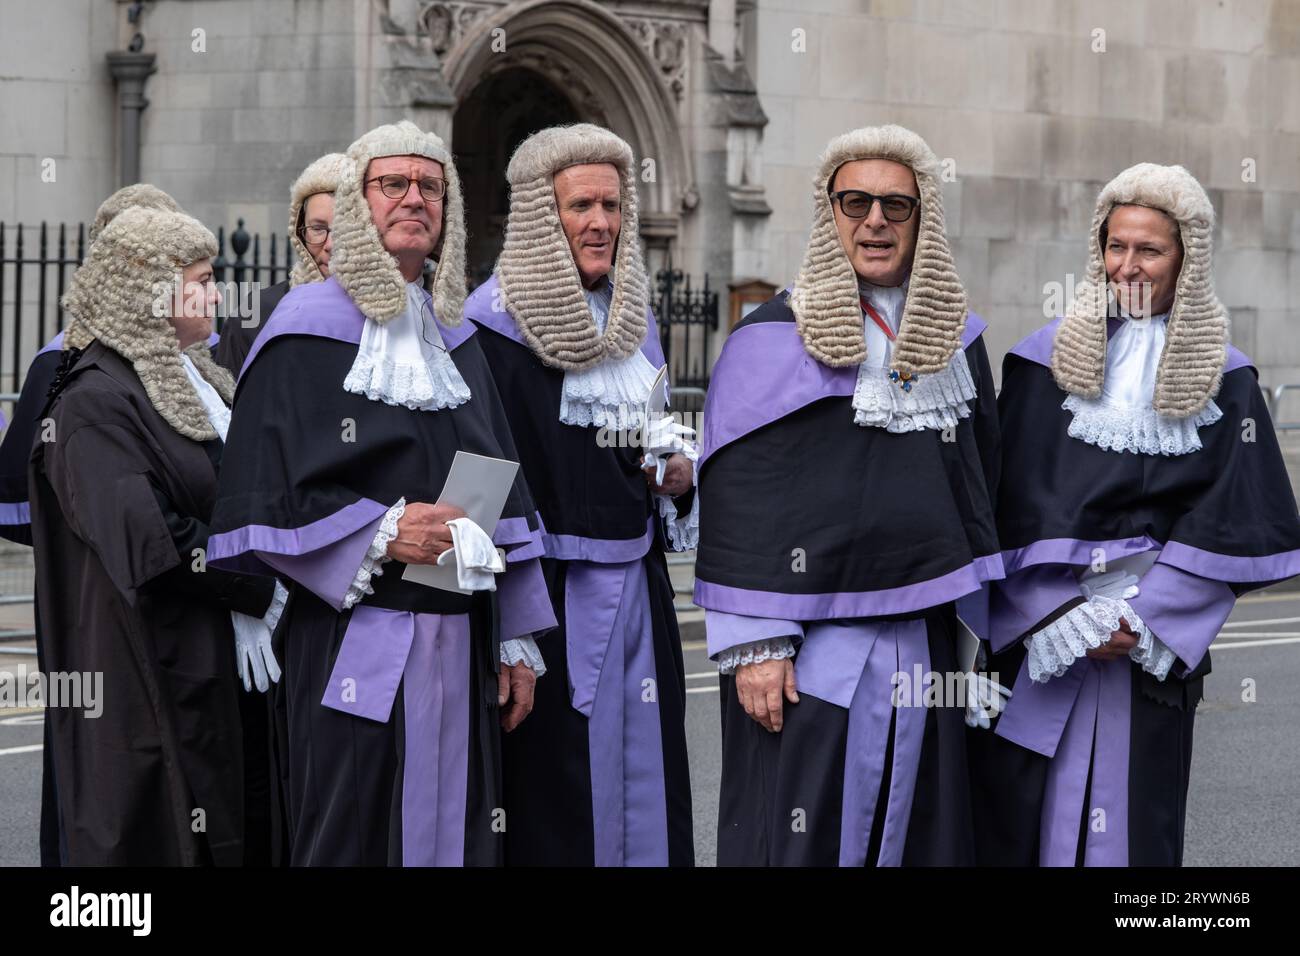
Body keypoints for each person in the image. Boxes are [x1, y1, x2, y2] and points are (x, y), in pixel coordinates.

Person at [207, 120, 557, 866]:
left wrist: (518, 635)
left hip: (461, 631)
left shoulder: (453, 335)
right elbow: (258, 498)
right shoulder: (302, 329)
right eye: (392, 184)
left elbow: (500, 482)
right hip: (352, 636)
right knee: (354, 827)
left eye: (430, 186)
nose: (414, 199)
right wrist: (381, 531)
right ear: (359, 203)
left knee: (458, 828)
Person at [694, 125, 1004, 866]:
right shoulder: (770, 338)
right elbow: (739, 492)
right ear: (829, 214)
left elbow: (987, 481)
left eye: (896, 206)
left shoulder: (956, 346)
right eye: (855, 202)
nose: (875, 221)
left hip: (928, 647)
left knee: (923, 834)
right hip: (811, 654)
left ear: (922, 219)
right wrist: (755, 642)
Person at [975, 163, 1300, 866]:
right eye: (1115, 246)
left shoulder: (1230, 379)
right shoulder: (1037, 364)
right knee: (1014, 827)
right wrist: (1063, 616)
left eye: (1149, 249)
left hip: (1150, 649)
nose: (1128, 265)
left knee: (1138, 839)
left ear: (1186, 258)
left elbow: (1234, 518)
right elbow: (1003, 512)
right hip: (1045, 642)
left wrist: (1143, 617)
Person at [463, 124, 696, 866]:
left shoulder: (636, 323)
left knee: (648, 781)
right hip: (545, 603)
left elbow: (656, 445)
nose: (601, 222)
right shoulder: (485, 329)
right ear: (541, 215)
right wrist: (505, 628)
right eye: (580, 206)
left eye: (612, 205)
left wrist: (679, 475)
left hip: (639, 591)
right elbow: (472, 490)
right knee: (556, 802)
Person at [30, 206, 283, 865]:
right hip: (150, 670)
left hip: (212, 663)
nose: (220, 294)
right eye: (202, 278)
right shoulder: (92, 399)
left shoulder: (190, 377)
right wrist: (256, 583)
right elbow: (150, 542)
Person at [0, 183, 183, 867]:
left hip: (173, 603)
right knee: (92, 779)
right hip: (95, 608)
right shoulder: (64, 358)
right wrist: (85, 541)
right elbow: (17, 490)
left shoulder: (194, 354)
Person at [214, 153, 348, 376]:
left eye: (344, 229)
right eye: (317, 229)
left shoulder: (391, 314)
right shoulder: (254, 314)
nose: (331, 245)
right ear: (299, 232)